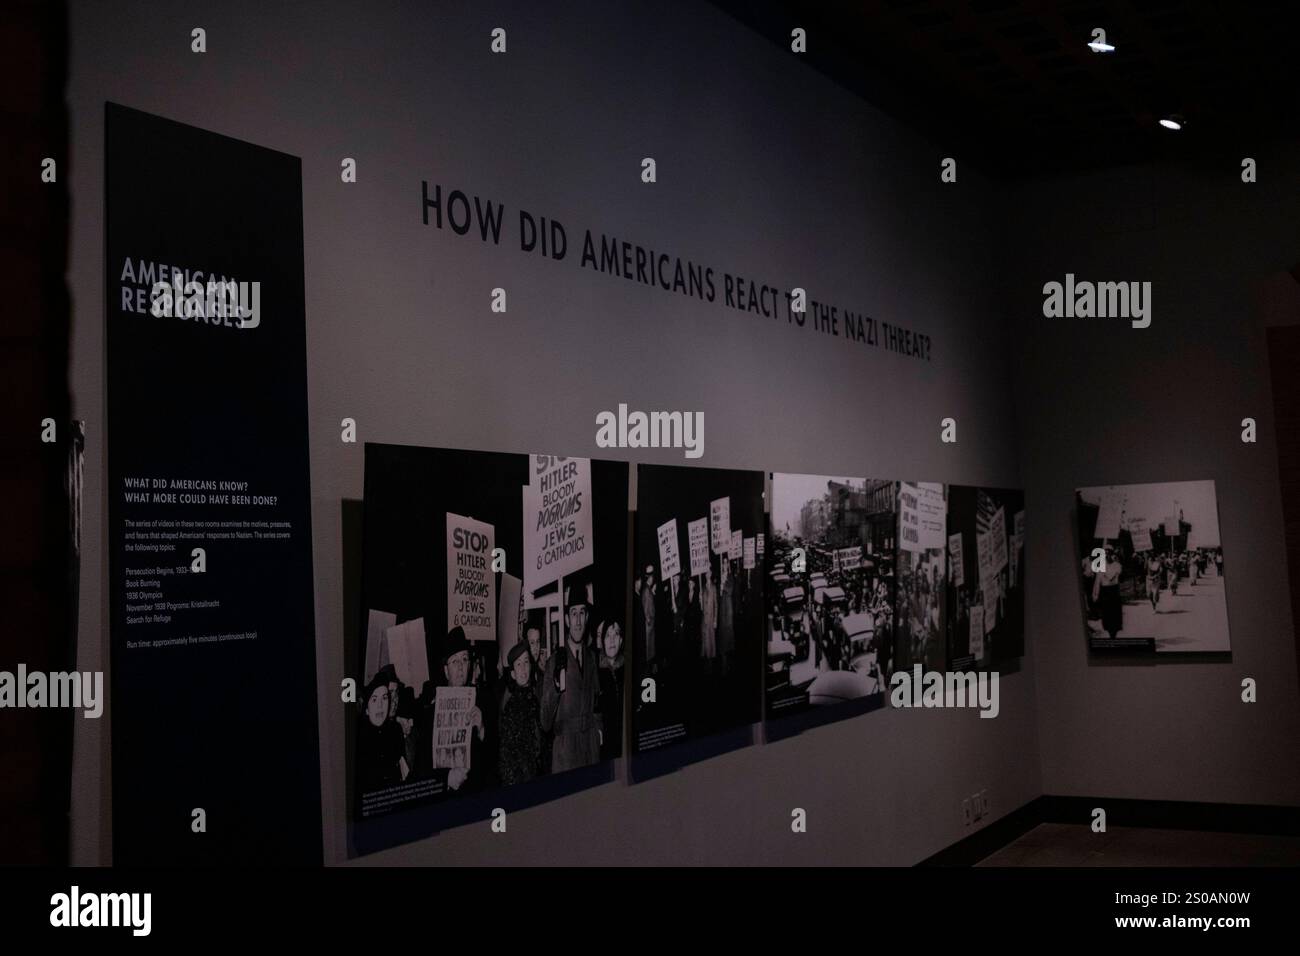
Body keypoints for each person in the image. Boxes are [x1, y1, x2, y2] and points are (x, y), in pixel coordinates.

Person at [540, 585, 602, 773]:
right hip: (566, 754)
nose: (577, 621)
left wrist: (599, 731)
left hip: (590, 750)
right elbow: (544, 721)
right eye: (573, 614)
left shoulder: (592, 658)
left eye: (582, 613)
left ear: (587, 618)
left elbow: (597, 700)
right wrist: (556, 688)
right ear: (566, 620)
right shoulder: (555, 661)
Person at [498, 642, 541, 786]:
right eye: (518, 664)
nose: (523, 669)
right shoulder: (511, 707)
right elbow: (506, 758)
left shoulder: (535, 699)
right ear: (513, 674)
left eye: (526, 662)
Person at [358, 673, 407, 791]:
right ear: (366, 709)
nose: (380, 705)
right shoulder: (358, 737)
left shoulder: (395, 730)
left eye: (384, 698)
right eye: (374, 700)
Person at [596, 620, 625, 762]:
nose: (612, 640)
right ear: (602, 641)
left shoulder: (627, 669)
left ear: (621, 640)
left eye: (616, 635)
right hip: (605, 750)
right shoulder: (596, 672)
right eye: (608, 635)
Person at [1094, 546, 1123, 639]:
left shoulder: (1117, 565)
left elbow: (1113, 577)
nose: (1107, 555)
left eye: (1109, 553)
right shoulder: (1100, 566)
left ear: (1112, 554)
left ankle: (1113, 635)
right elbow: (1098, 581)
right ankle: (1111, 634)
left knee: (1114, 615)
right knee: (1106, 616)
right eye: (1105, 553)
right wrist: (1096, 593)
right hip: (1105, 592)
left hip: (1113, 591)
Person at [717, 558, 735, 677]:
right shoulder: (720, 577)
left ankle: (728, 663)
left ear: (727, 565)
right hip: (721, 610)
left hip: (728, 611)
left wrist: (723, 585)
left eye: (725, 563)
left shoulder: (730, 577)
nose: (724, 565)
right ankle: (724, 664)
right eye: (722, 563)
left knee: (728, 636)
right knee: (722, 637)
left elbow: (730, 591)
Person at [700, 568, 718, 669]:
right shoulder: (702, 588)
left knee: (711, 639)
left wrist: (715, 619)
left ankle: (711, 662)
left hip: (711, 618)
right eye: (706, 573)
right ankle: (707, 661)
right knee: (705, 640)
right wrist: (700, 600)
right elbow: (702, 607)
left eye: (709, 572)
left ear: (711, 574)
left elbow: (716, 604)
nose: (707, 574)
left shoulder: (714, 587)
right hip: (704, 619)